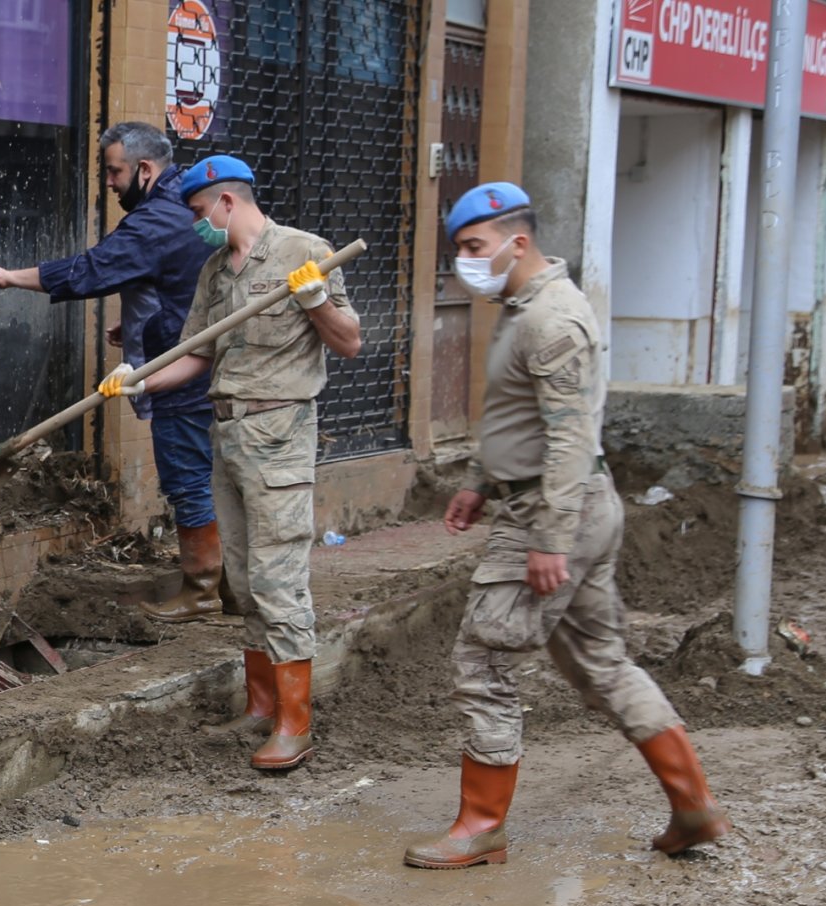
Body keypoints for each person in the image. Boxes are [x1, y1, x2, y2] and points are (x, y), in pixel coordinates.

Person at [405, 183, 729, 869]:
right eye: (460, 247)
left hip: (555, 510)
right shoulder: (524, 310)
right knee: (601, 663)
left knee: (484, 655)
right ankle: (692, 806)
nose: (464, 260)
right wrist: (479, 483)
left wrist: (550, 539)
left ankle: (481, 824)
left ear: (517, 242)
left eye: (474, 247)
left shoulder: (553, 320)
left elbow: (570, 439)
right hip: (545, 501)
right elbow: (520, 418)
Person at [95, 155, 361, 770]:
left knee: (277, 579)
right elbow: (199, 355)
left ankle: (297, 724)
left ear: (226, 202)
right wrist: (141, 379)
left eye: (197, 213)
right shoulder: (217, 270)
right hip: (228, 429)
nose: (196, 225)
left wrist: (317, 299)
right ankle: (261, 705)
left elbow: (348, 343)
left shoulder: (304, 251)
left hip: (281, 431)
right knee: (241, 581)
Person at [0, 122, 225, 621]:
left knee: (188, 480)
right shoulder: (186, 200)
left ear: (145, 169)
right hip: (198, 356)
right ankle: (231, 584)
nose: (109, 183)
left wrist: (10, 277)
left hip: (183, 375)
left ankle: (202, 589)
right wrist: (140, 323)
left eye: (114, 171)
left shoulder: (154, 222)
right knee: (213, 478)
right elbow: (181, 280)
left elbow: (91, 270)